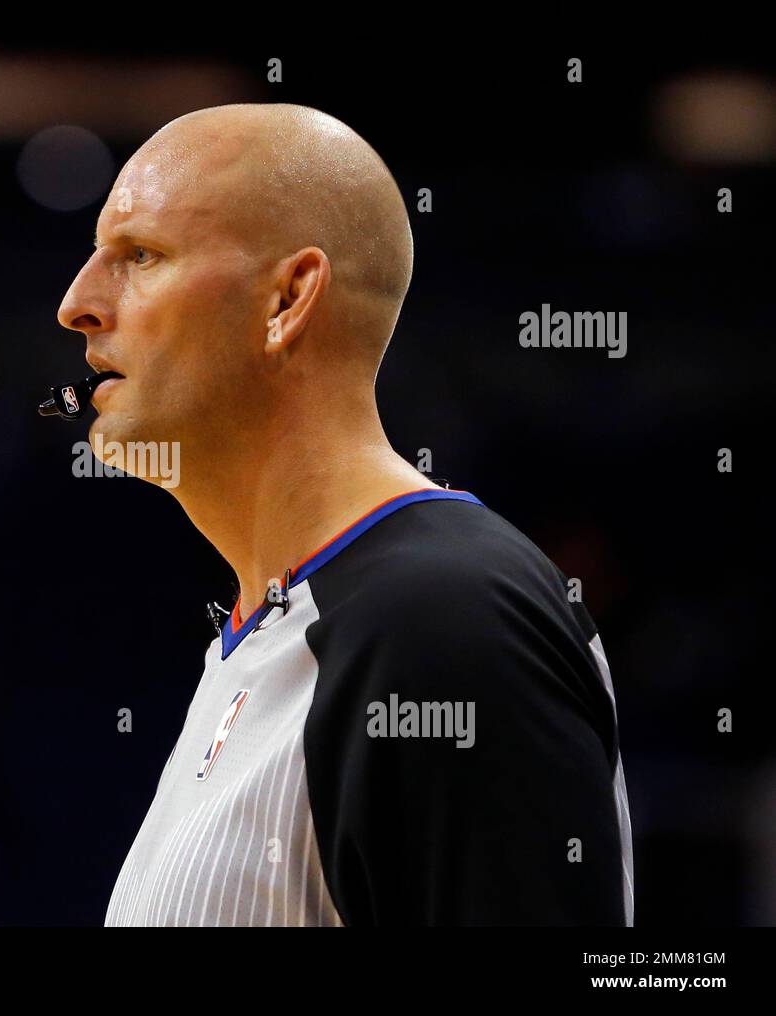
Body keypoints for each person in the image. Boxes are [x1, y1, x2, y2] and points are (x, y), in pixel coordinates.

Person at [56, 103, 633, 926]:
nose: (76, 303)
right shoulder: (280, 627)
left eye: (141, 255)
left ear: (287, 298)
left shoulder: (446, 617)